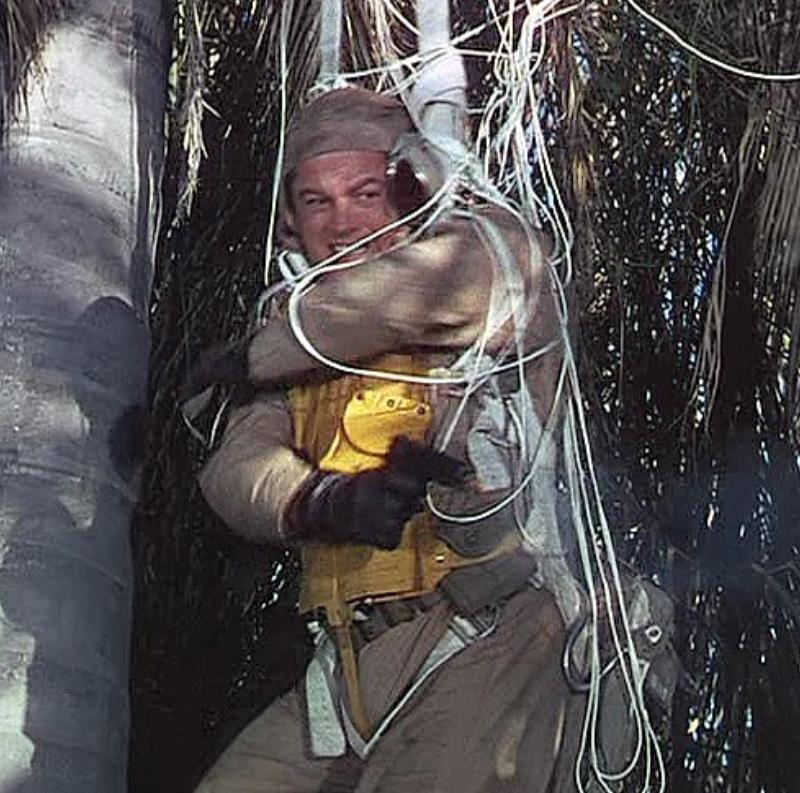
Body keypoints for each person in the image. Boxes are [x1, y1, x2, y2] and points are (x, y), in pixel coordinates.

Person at [191, 86, 584, 793]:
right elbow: (234, 465)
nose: (341, 223)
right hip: (345, 668)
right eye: (316, 201)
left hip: (483, 633)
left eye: (364, 192)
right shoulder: (292, 329)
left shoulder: (496, 251)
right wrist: (319, 497)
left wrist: (254, 356)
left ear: (408, 187)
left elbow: (412, 294)